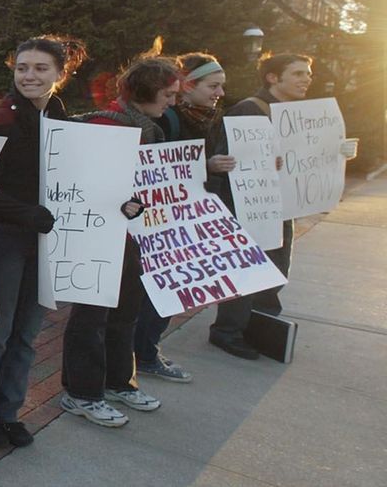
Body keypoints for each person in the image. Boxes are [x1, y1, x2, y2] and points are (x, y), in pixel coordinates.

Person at [0, 35, 88, 448]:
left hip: (47, 242)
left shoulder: (69, 124)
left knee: (27, 332)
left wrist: (122, 202)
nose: (29, 76)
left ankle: (7, 410)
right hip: (4, 239)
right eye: (22, 68)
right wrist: (26, 213)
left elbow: (82, 182)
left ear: (61, 74)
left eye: (40, 68)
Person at [58, 53, 179, 428]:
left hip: (131, 236)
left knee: (126, 312)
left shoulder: (147, 128)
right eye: (169, 94)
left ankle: (118, 382)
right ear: (149, 91)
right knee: (92, 316)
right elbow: (79, 182)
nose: (173, 102)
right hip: (98, 235)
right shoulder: (106, 125)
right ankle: (82, 393)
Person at [132, 52, 235, 382]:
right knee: (159, 291)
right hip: (159, 222)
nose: (219, 93)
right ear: (187, 86)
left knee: (171, 289)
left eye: (221, 87)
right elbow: (154, 169)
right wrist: (205, 166)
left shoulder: (205, 118)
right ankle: (143, 353)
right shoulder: (167, 119)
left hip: (179, 218)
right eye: (213, 86)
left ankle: (144, 350)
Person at [204, 52, 309, 359]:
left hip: (279, 206)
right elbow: (225, 160)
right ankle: (227, 332)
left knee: (277, 267)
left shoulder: (295, 113)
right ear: (272, 77)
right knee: (246, 270)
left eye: (307, 73)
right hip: (246, 207)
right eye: (298, 73)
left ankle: (260, 326)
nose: (306, 79)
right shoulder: (248, 109)